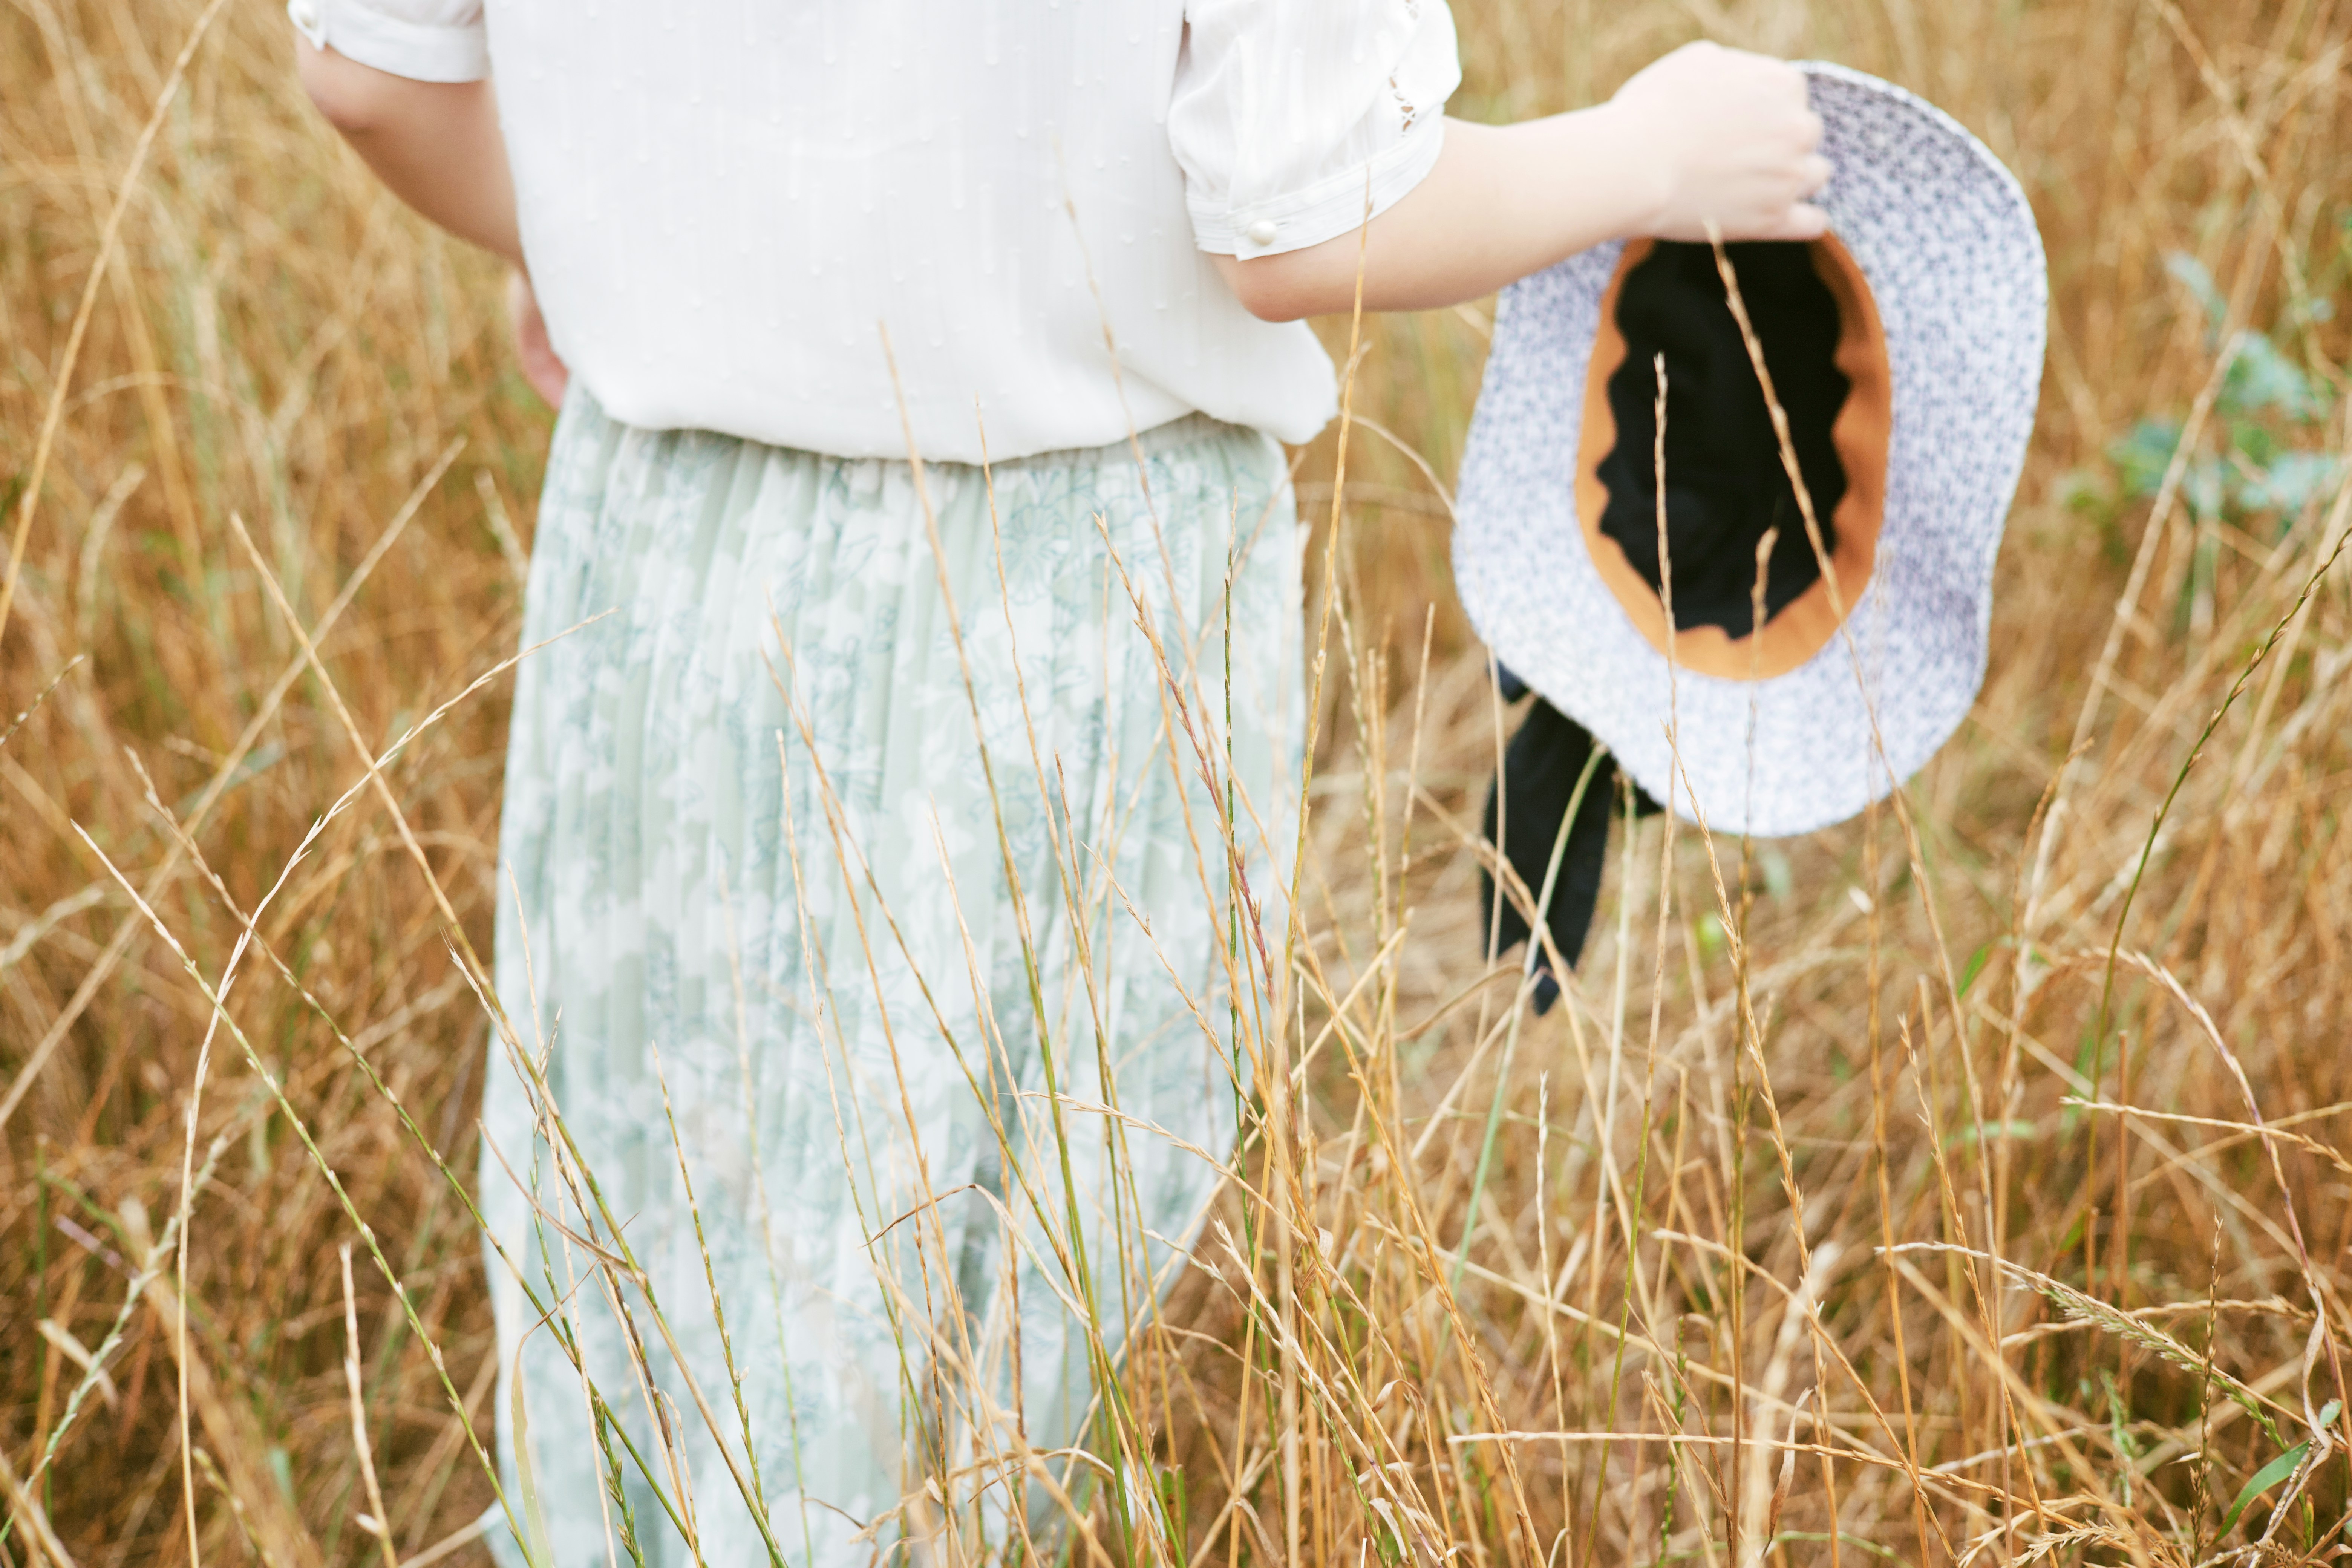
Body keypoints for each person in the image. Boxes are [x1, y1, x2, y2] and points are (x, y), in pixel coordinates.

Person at [288, 5, 1827, 1564]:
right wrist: (1649, 155)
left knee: (645, 1311)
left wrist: (635, 249)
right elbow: (1305, 215)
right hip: (1050, 588)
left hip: (654, 562)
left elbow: (366, 78)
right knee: (945, 1400)